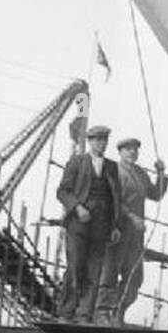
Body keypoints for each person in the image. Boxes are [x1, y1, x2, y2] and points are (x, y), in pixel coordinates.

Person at [96, 137, 168, 325]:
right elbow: (113, 200)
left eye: (135, 149)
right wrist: (131, 217)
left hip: (135, 237)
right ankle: (102, 314)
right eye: (128, 149)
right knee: (109, 274)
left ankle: (118, 313)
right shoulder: (113, 171)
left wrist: (161, 174)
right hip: (116, 231)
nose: (132, 152)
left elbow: (155, 194)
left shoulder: (140, 174)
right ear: (120, 152)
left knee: (135, 279)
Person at [56, 125, 121, 322]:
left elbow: (115, 199)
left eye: (104, 140)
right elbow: (63, 191)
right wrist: (77, 207)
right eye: (97, 140)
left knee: (94, 271)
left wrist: (115, 226)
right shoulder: (76, 162)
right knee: (75, 267)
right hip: (78, 223)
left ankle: (84, 315)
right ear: (90, 141)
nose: (101, 143)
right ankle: (66, 313)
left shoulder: (112, 166)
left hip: (102, 225)